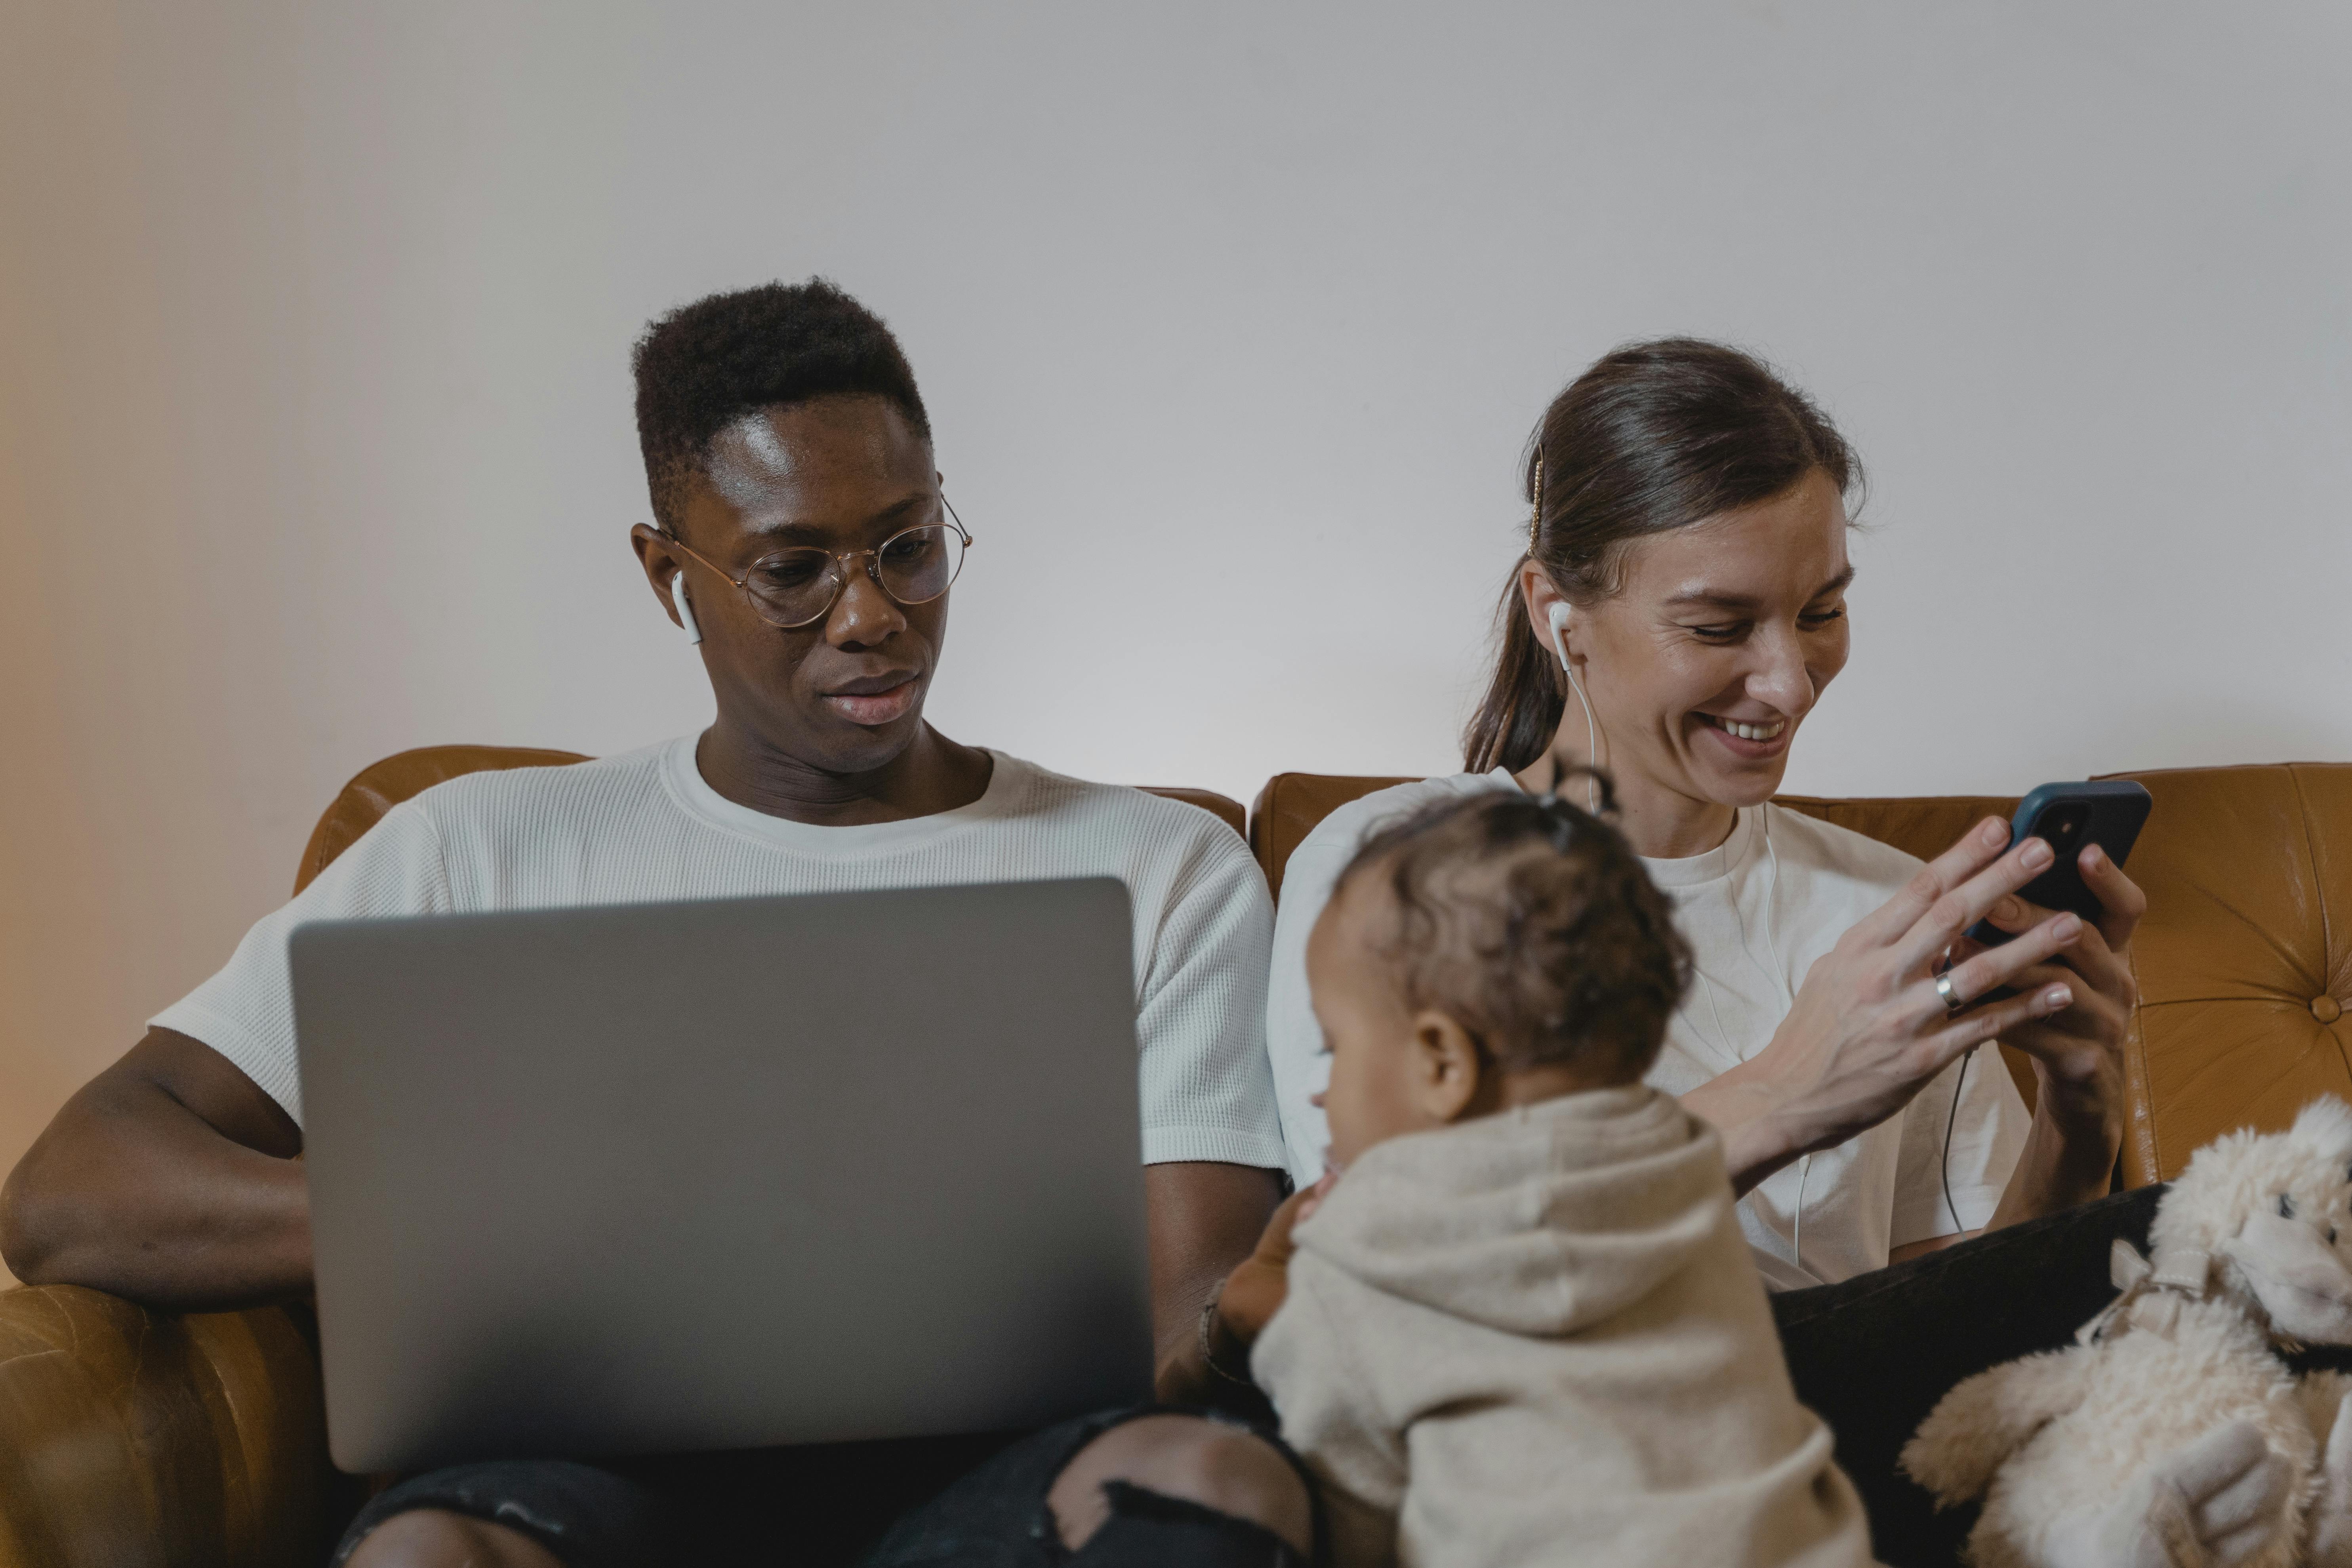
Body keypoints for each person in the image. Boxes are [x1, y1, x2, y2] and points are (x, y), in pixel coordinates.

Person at [0, 280, 1297, 1567]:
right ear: (665, 573)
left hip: (1011, 1469)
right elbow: (70, 1189)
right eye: (792, 570)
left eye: (905, 545)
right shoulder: (472, 845)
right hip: (579, 1477)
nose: (871, 614)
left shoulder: (1155, 866)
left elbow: (1184, 1300)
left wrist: (1263, 1317)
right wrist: (450, 1221)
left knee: (1214, 1478)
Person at [1245, 338, 2291, 1566]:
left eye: (1823, 610)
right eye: (1719, 623)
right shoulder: (1399, 868)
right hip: (1586, 1446)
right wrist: (1790, 1092)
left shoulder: (1894, 908)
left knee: (2256, 1248)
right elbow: (1415, 1278)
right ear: (1555, 613)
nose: (1789, 682)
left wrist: (2076, 1110)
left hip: (1872, 1451)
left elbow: (1973, 1335)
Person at [1251, 783, 1875, 1568]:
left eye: (1334, 1050)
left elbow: (1344, 1512)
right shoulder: (1680, 1170)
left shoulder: (1361, 1253)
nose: (1320, 1090)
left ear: (1442, 1062)